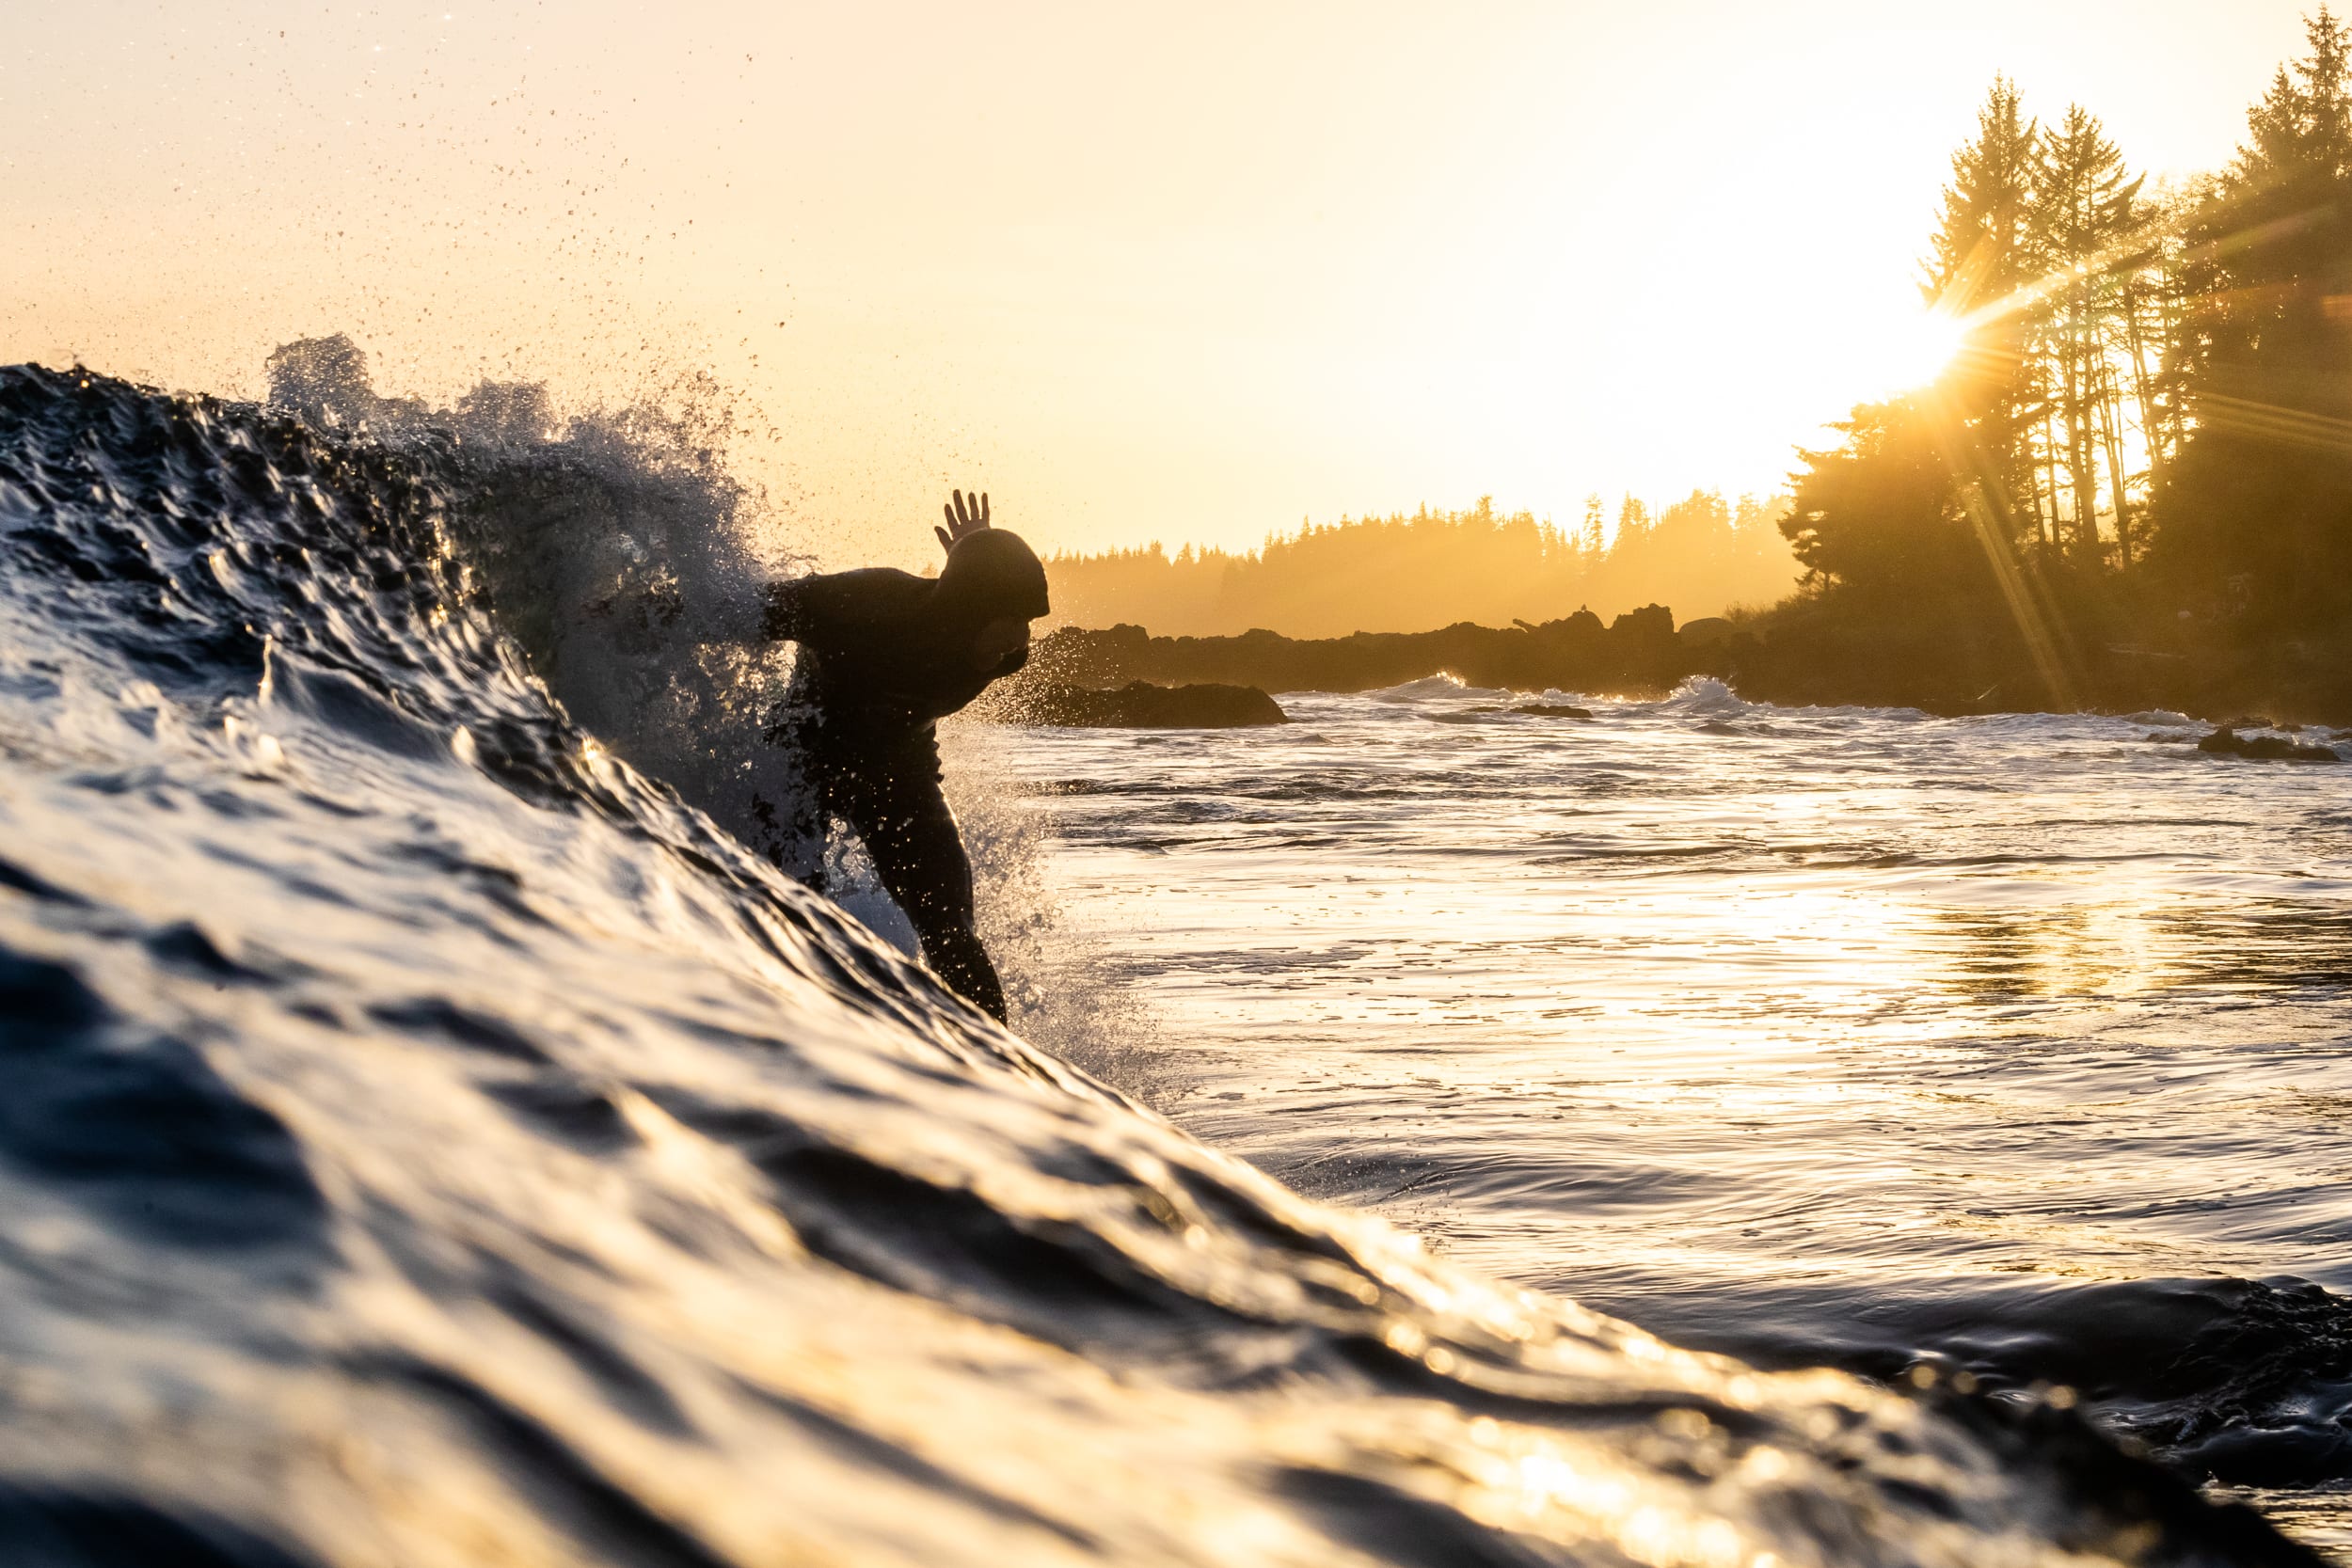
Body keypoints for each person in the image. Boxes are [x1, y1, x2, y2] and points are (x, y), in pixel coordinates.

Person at [758, 490, 1048, 1022]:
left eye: (1026, 625)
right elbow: (734, 611)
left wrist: (976, 549)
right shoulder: (864, 606)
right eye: (1010, 623)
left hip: (901, 778)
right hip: (802, 766)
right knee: (793, 906)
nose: (1019, 645)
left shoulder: (1002, 647)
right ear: (969, 608)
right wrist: (616, 619)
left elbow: (968, 595)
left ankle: (1001, 1075)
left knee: (951, 933)